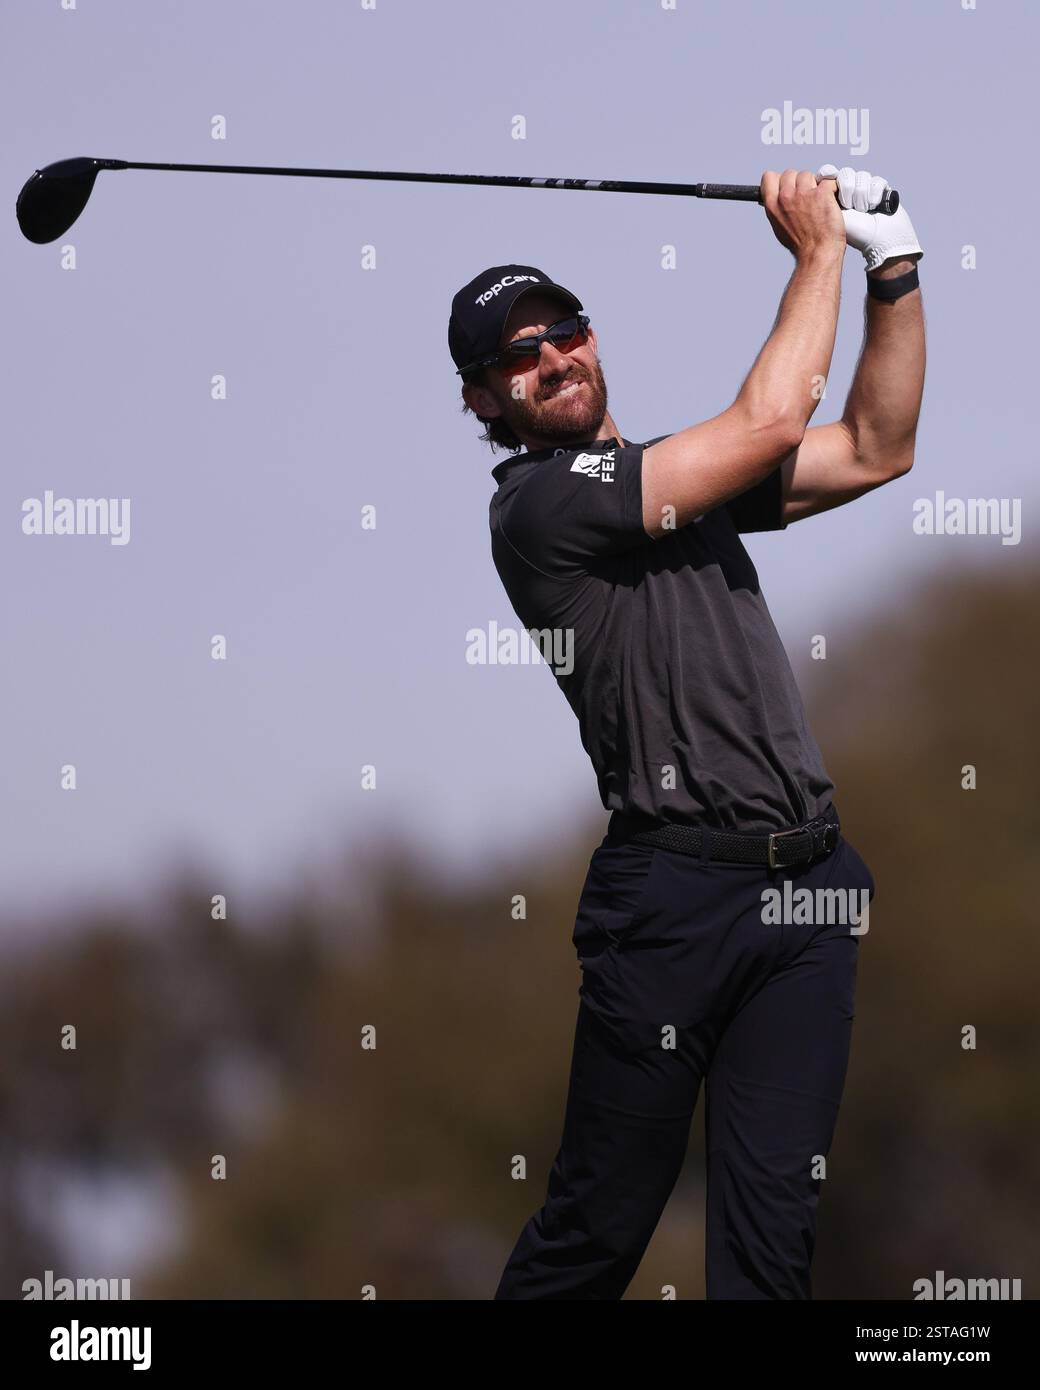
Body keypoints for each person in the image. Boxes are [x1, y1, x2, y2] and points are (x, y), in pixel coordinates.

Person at [447, 166, 925, 1300]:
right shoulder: (538, 506)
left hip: (805, 891)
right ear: (482, 402)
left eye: (559, 330)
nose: (550, 357)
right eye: (516, 355)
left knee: (771, 1249)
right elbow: (768, 419)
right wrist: (815, 249)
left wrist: (892, 267)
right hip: (666, 903)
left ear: (591, 337)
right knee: (595, 1232)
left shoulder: (686, 478)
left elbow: (872, 443)